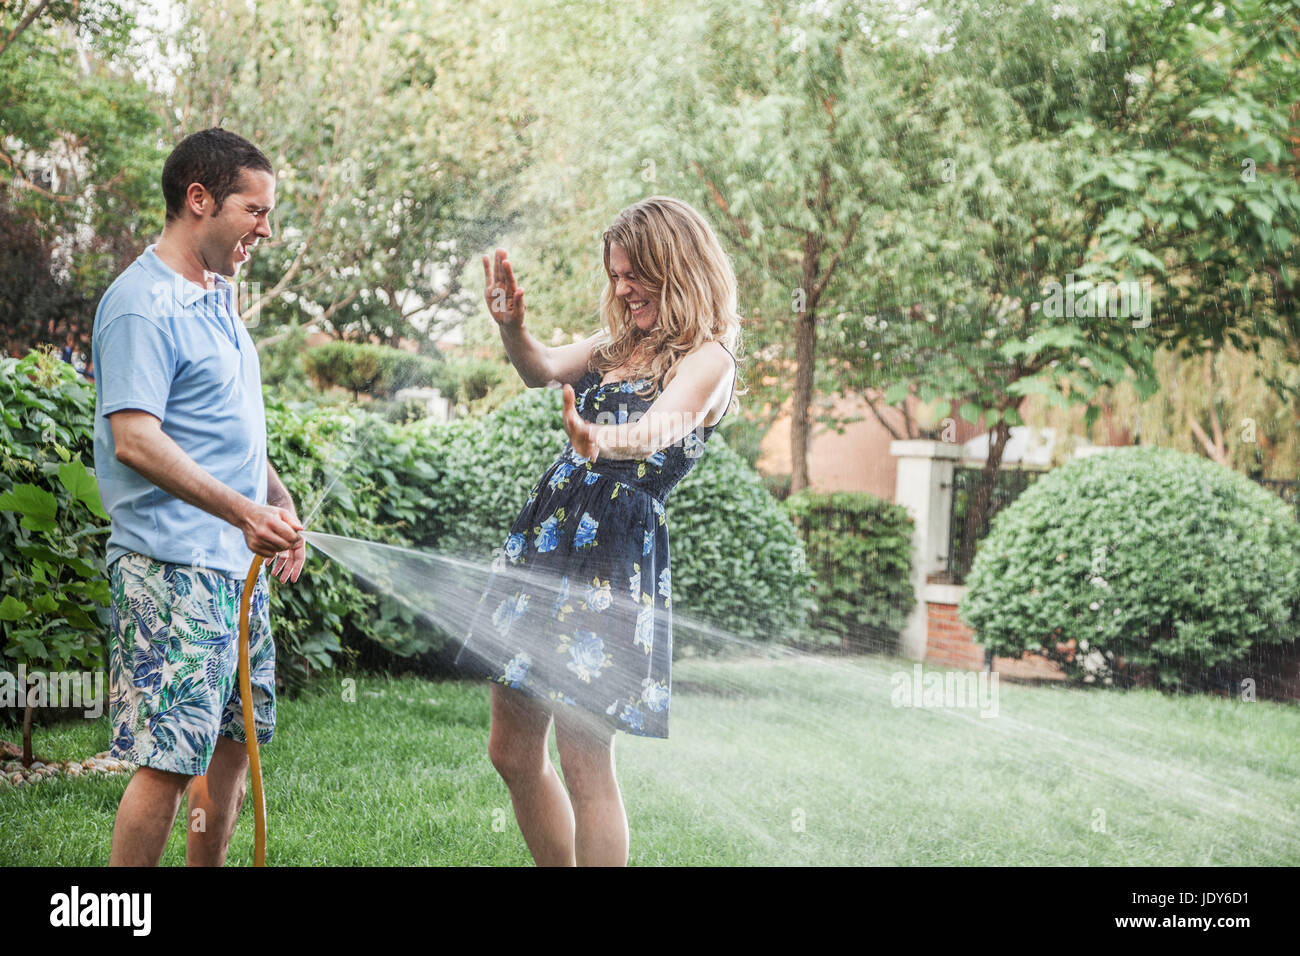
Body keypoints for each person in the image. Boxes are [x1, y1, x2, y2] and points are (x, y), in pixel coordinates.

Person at [456, 196, 742, 866]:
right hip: (546, 540)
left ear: (678, 268)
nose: (621, 288)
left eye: (634, 274)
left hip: (610, 558)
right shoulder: (617, 345)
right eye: (615, 275)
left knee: (585, 764)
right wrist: (510, 327)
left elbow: (661, 427)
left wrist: (601, 440)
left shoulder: (708, 359)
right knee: (512, 751)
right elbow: (541, 367)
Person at [91, 128, 306, 867]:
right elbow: (136, 439)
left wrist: (276, 501)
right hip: (171, 567)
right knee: (168, 758)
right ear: (199, 199)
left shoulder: (215, 298)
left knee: (229, 749)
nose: (266, 229)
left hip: (230, 568)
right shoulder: (140, 304)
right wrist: (245, 514)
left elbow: (229, 426)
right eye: (255, 210)